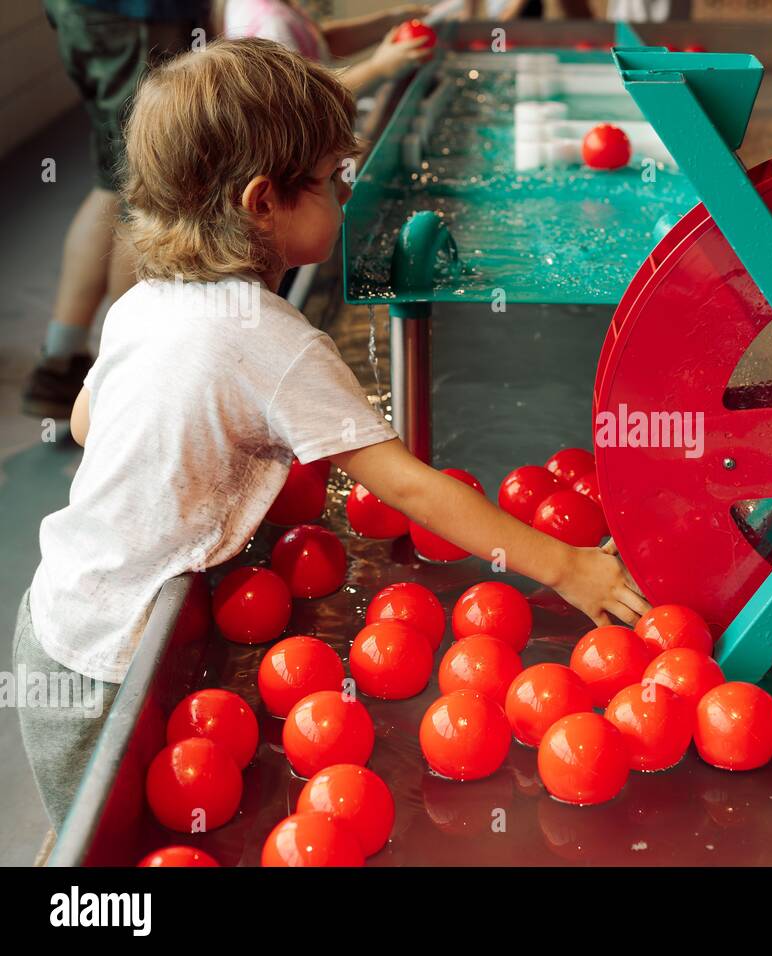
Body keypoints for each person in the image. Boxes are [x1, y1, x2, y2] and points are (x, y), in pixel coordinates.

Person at [14, 37, 649, 827]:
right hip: (112, 661)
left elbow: (84, 419)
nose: (345, 200)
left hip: (53, 623)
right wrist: (567, 567)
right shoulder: (271, 342)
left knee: (94, 832)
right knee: (110, 840)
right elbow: (410, 486)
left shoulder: (146, 301)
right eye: (330, 184)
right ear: (261, 203)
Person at [24, 0, 207, 420]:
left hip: (85, 12)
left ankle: (62, 360)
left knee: (116, 181)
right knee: (149, 187)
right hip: (137, 17)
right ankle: (127, 373)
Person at [218, 1, 436, 91]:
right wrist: (378, 68)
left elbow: (319, 42)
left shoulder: (268, 6)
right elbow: (306, 97)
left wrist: (388, 22)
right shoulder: (271, 23)